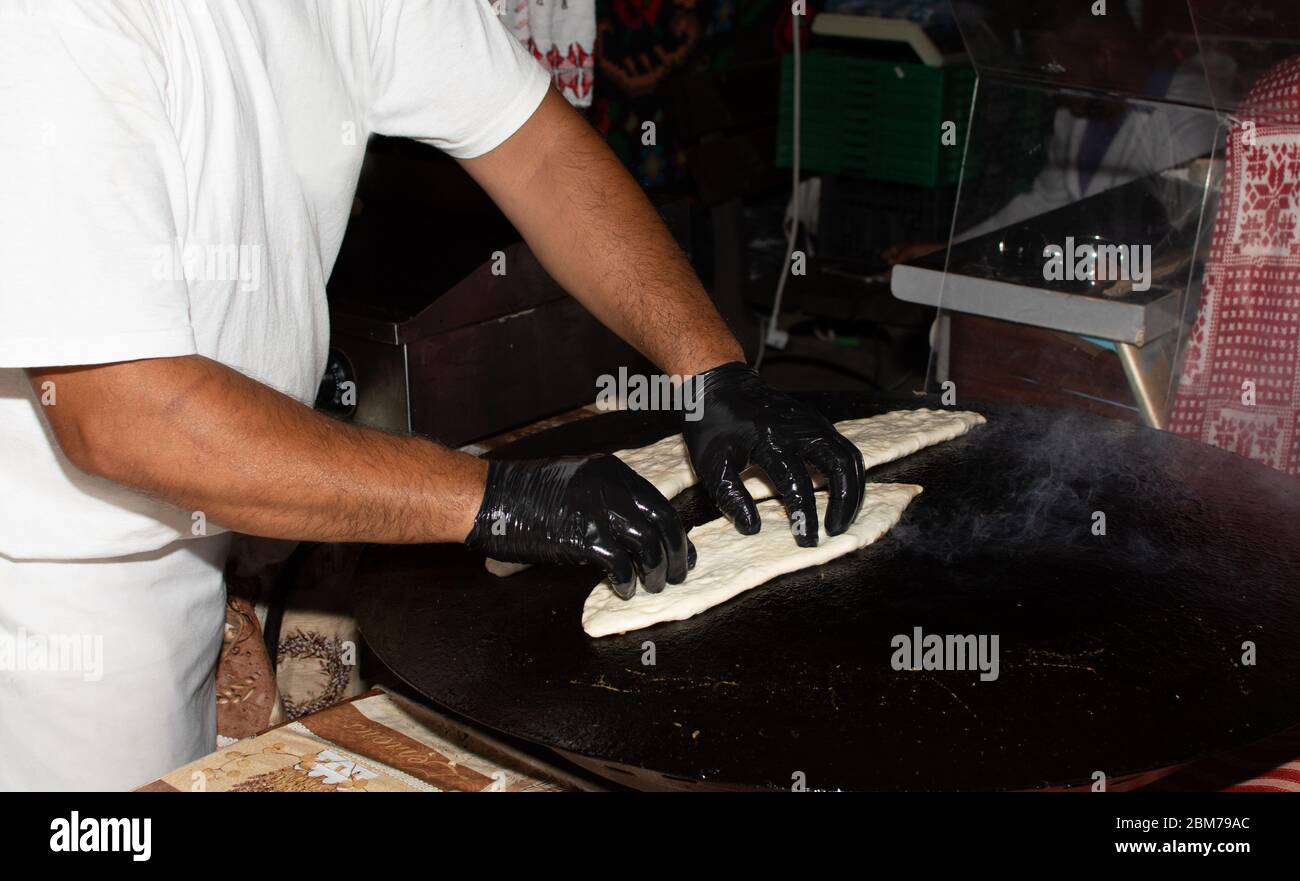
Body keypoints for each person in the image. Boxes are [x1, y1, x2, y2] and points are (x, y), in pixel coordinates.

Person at [0, 0, 865, 791]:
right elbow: (122, 412)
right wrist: (501, 496)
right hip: (48, 589)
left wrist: (710, 369)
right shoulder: (60, 23)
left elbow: (534, 147)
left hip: (183, 531)